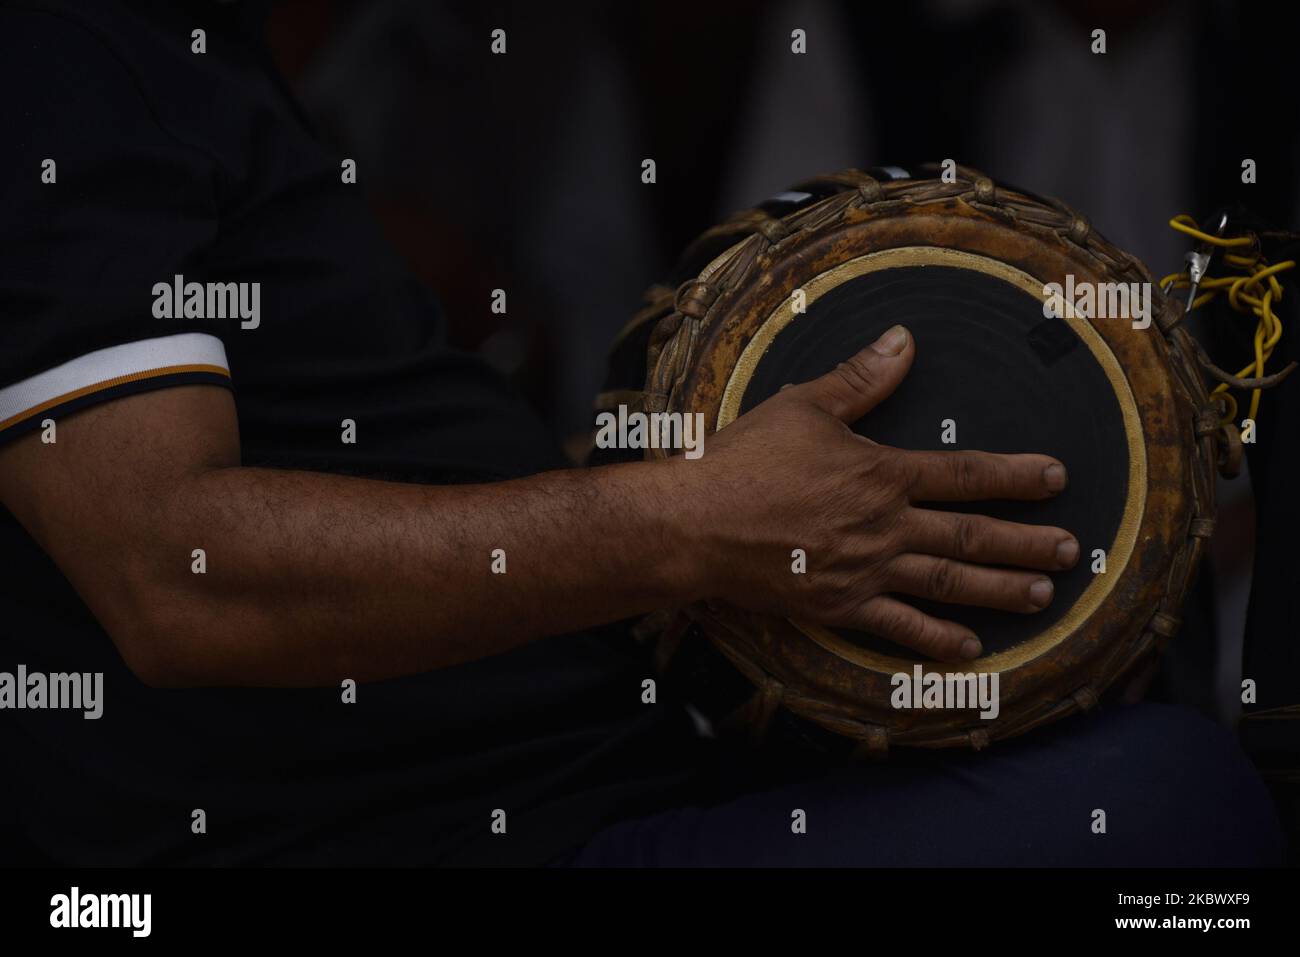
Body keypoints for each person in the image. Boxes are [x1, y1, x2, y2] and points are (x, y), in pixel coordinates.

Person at [0, 0, 1281, 866]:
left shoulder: (187, 54)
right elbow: (172, 572)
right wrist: (694, 521)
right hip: (487, 826)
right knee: (1170, 812)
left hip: (611, 761)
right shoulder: (65, 52)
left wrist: (665, 485)